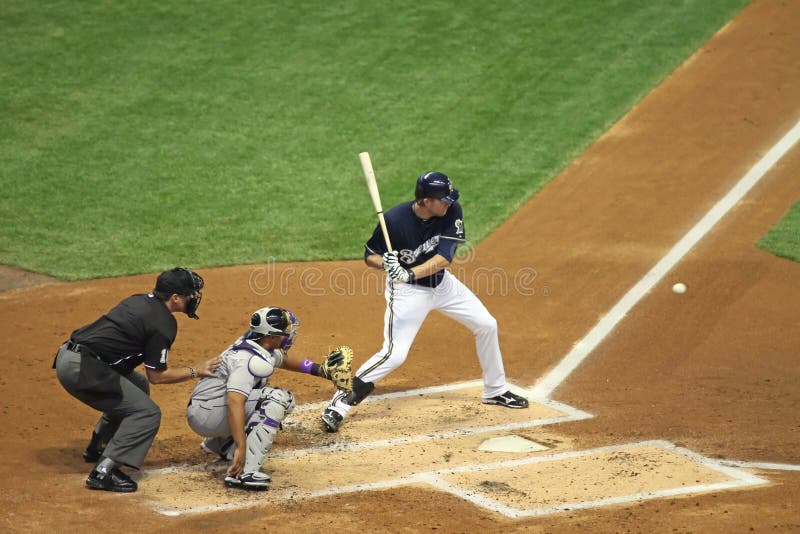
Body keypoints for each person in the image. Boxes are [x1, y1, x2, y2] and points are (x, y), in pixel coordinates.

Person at [321, 171, 529, 432]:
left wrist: (410, 271)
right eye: (443, 199)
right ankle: (338, 405)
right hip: (408, 293)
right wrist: (385, 264)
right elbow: (369, 256)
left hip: (443, 285)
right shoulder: (394, 221)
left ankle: (495, 390)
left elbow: (444, 258)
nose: (449, 203)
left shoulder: (451, 212)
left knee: (487, 325)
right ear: (426, 201)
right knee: (393, 355)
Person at [53, 267, 221, 493]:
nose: (193, 298)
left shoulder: (140, 300)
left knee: (137, 386)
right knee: (147, 413)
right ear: (175, 298)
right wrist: (196, 370)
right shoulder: (163, 324)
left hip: (69, 356)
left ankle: (98, 445)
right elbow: (157, 376)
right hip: (83, 369)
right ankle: (104, 471)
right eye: (190, 293)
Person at [187, 306, 351, 490]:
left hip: (206, 408)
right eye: (285, 332)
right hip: (207, 415)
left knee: (272, 397)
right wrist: (242, 448)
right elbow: (235, 402)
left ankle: (223, 445)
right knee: (276, 399)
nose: (289, 336)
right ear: (271, 336)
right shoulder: (248, 359)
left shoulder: (256, 344)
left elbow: (282, 359)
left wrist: (322, 371)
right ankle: (245, 472)